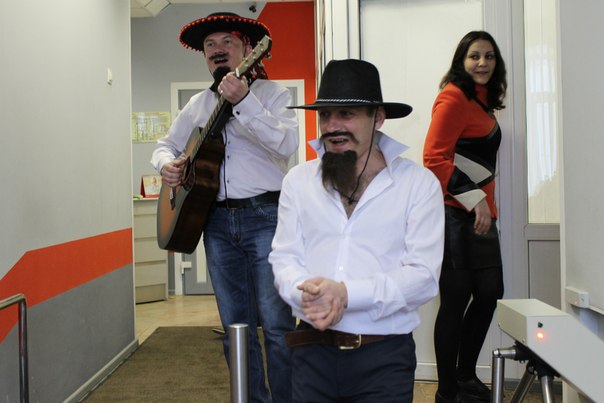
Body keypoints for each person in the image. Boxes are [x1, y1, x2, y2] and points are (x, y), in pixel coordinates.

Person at [269, 59, 445, 402]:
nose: (332, 126)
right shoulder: (298, 181)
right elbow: (284, 257)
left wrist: (346, 294)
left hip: (383, 360)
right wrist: (307, 295)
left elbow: (422, 277)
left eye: (346, 114)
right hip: (310, 354)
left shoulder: (417, 184)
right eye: (325, 115)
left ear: (378, 117)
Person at [151, 12, 298, 403]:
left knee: (277, 324)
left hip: (266, 218)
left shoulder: (272, 95)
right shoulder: (198, 105)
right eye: (209, 45)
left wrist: (245, 101)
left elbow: (286, 145)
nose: (217, 50)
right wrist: (166, 165)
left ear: (247, 49)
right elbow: (165, 146)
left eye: (226, 42)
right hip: (215, 222)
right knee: (235, 327)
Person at [423, 31, 507, 403]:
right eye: (474, 56)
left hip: (481, 216)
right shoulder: (453, 96)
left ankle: (465, 375)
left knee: (490, 293)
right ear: (462, 60)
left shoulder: (483, 102)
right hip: (454, 215)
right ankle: (447, 392)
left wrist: (484, 205)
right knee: (455, 300)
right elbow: (434, 158)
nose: (482, 63)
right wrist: (476, 200)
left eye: (489, 56)